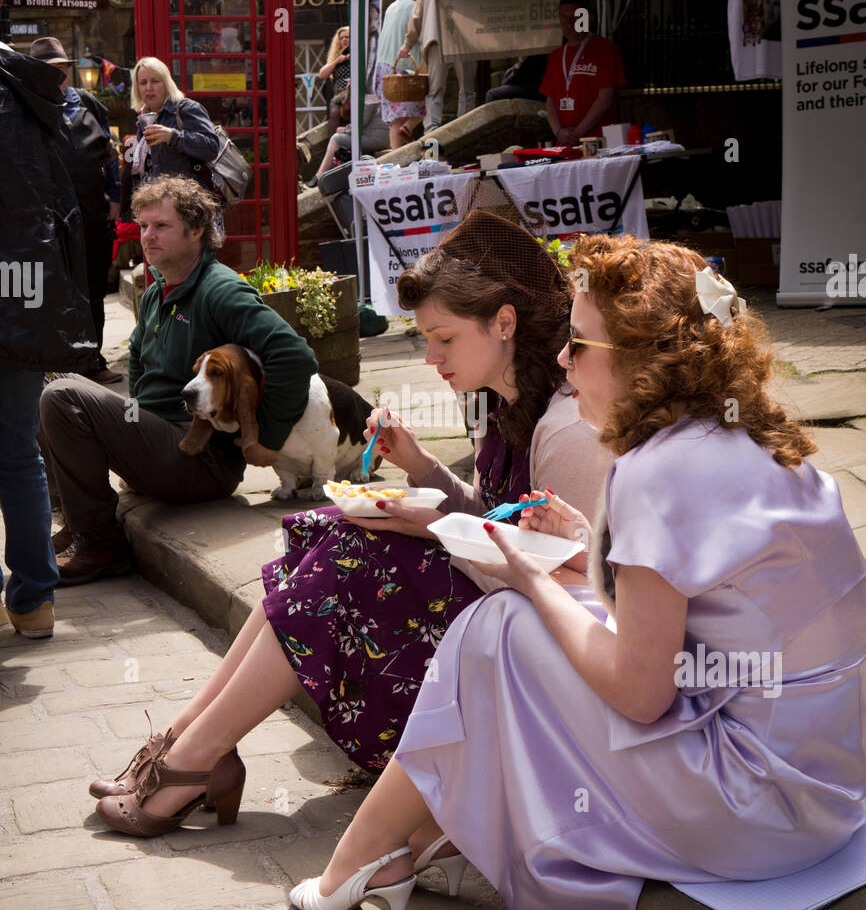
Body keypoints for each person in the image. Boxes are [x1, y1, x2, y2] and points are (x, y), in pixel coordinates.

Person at [286, 236, 866, 910]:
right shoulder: (752, 435)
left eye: (578, 344)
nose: (560, 361)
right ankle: (406, 847)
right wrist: (583, 554)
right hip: (830, 787)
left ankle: (368, 858)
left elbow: (641, 693)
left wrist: (530, 576)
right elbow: (707, 609)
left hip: (761, 808)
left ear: (640, 359)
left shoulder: (654, 468)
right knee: (524, 618)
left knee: (496, 626)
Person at [90, 211, 612, 836]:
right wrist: (420, 468)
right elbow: (498, 513)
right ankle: (189, 741)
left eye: (444, 339)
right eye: (426, 338)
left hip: (527, 662)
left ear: (504, 323)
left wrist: (426, 526)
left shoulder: (566, 426)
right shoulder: (507, 401)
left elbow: (572, 589)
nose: (429, 357)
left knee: (354, 553)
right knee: (330, 532)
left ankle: (193, 761)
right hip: (498, 612)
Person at [40, 176, 318, 587]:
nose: (147, 236)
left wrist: (268, 440)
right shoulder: (156, 294)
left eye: (161, 226)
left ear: (197, 231)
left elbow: (295, 356)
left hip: (202, 459)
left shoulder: (219, 289)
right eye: (144, 226)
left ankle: (102, 544)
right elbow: (140, 369)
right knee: (45, 378)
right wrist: (130, 432)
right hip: (159, 436)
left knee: (64, 396)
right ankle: (79, 520)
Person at [0, 0, 97, 641]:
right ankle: (34, 601)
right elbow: (78, 190)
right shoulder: (27, 90)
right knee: (16, 452)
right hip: (23, 294)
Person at [29, 36, 123, 384]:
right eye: (51, 71)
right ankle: (66, 367)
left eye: (63, 70)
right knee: (62, 292)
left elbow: (110, 157)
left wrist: (115, 198)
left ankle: (94, 360)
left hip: (94, 216)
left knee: (95, 288)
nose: (60, 77)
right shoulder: (31, 108)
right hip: (53, 222)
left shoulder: (88, 104)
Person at [130, 57, 225, 240]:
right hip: (159, 211)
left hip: (190, 210)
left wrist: (173, 137)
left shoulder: (185, 109)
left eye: (155, 81)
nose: (148, 87)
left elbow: (211, 146)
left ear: (166, 83)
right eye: (143, 83)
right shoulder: (144, 119)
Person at [541, 0, 626, 147]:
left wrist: (578, 132)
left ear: (589, 18)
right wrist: (558, 131)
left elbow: (606, 97)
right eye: (564, 18)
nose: (569, 23)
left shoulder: (605, 49)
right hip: (564, 144)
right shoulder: (555, 56)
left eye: (576, 17)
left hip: (599, 140)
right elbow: (550, 101)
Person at [398, 0, 476, 131]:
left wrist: (408, 44)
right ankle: (465, 128)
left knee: (435, 90)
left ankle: (431, 132)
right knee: (466, 89)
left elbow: (417, 16)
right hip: (463, 38)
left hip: (436, 38)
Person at [374, 0, 425, 150]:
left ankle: (396, 157)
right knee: (426, 105)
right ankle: (408, 128)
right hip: (404, 66)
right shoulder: (413, 7)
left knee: (396, 119)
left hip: (384, 67)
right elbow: (418, 35)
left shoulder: (391, 7)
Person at [317, 26, 350, 133]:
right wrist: (337, 61)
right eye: (341, 38)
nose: (344, 40)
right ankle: (335, 144)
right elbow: (322, 74)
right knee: (334, 112)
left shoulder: (357, 54)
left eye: (347, 37)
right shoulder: (337, 57)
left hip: (353, 92)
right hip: (339, 95)